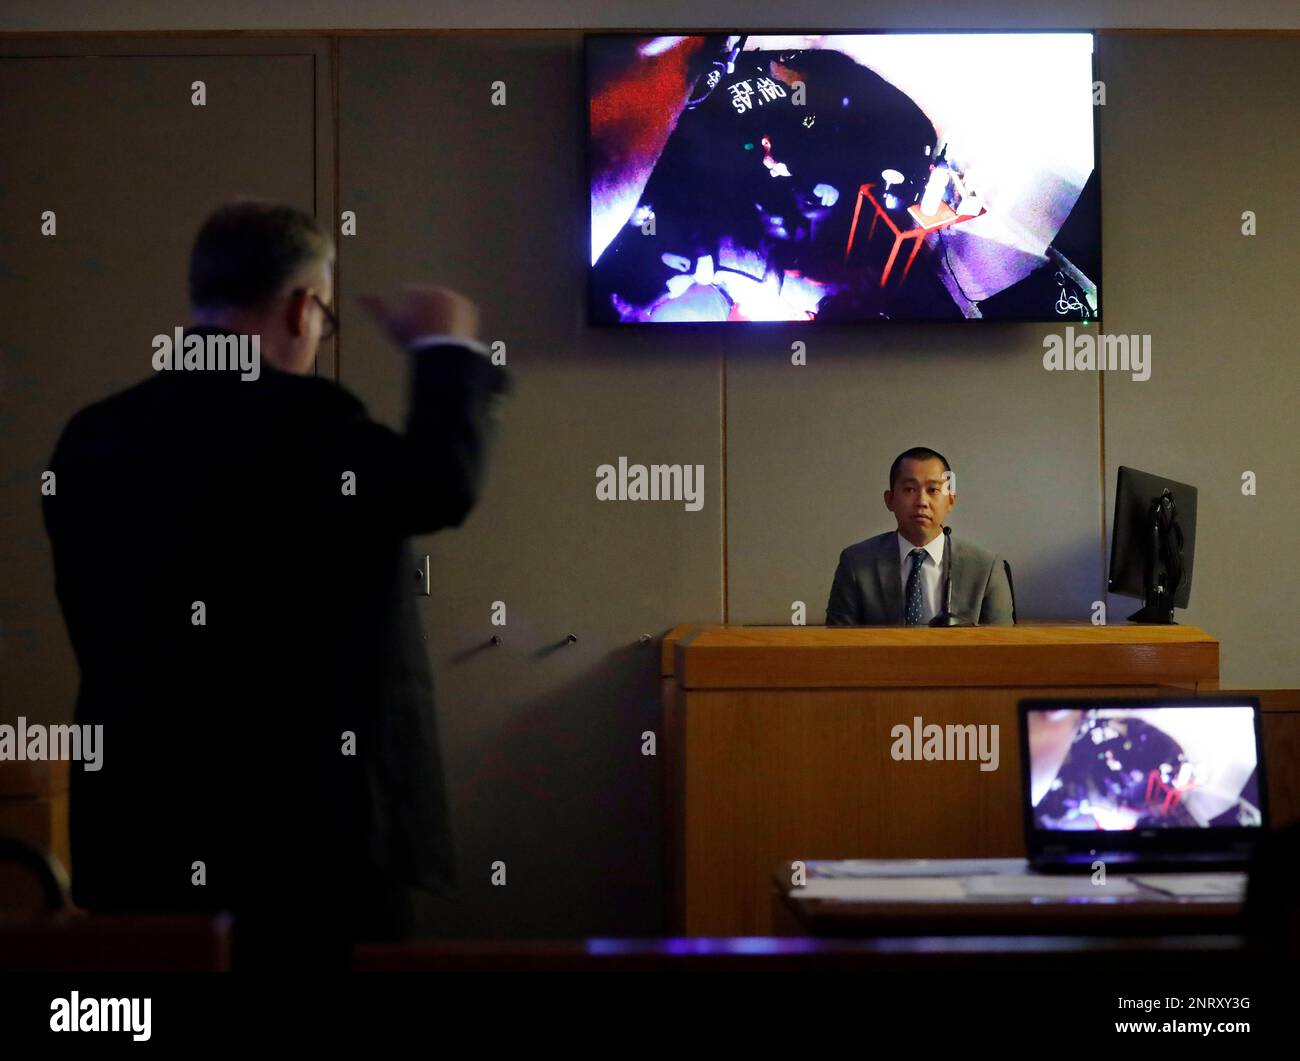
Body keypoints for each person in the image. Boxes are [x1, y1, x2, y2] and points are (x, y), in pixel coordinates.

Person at [40, 200, 509, 968]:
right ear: (300, 306)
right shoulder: (312, 423)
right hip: (309, 841)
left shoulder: (92, 435)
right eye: (324, 312)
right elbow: (439, 485)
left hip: (140, 823)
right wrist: (445, 347)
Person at [825, 447, 1013, 626]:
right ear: (890, 500)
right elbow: (839, 647)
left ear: (950, 500)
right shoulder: (856, 563)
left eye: (933, 490)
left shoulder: (986, 567)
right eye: (909, 490)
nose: (922, 501)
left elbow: (1003, 648)